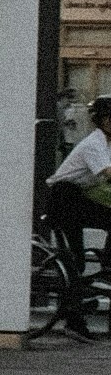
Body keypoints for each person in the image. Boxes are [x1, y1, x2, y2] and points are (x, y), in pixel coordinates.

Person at [50, 98, 111, 334]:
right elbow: (107, 173)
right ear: (103, 121)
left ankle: (104, 269)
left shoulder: (107, 143)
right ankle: (74, 320)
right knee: (75, 262)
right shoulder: (94, 144)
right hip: (64, 199)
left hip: (77, 199)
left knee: (77, 261)